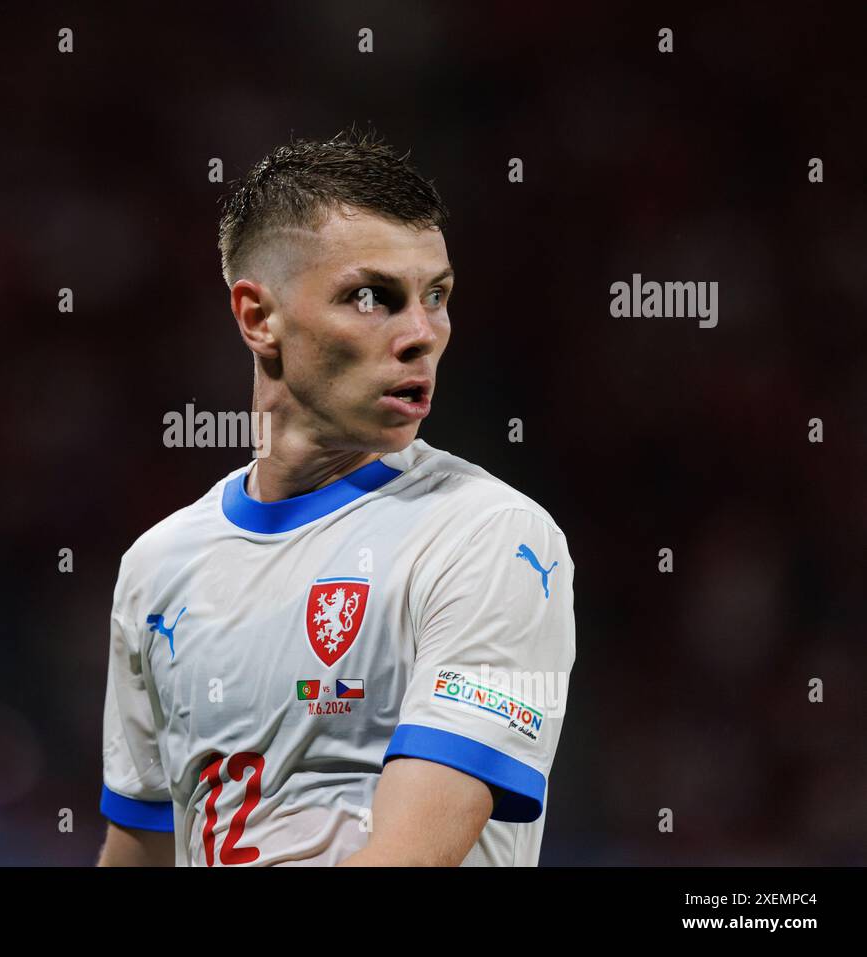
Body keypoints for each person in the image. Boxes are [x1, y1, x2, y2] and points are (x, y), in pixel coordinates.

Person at [97, 129, 576, 866]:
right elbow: (141, 851)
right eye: (372, 297)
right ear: (259, 318)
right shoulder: (159, 567)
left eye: (437, 297)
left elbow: (410, 859)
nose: (423, 334)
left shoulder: (490, 536)